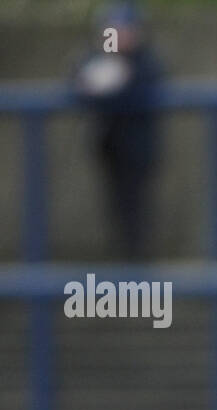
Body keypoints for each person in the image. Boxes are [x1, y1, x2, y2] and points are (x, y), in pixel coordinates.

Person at [71, 2, 163, 260]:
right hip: (109, 146)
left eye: (124, 29)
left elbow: (136, 85)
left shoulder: (146, 61)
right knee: (116, 208)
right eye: (112, 29)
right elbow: (79, 83)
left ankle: (138, 268)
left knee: (137, 210)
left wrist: (113, 85)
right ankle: (123, 264)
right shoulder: (94, 58)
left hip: (138, 149)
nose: (118, 35)